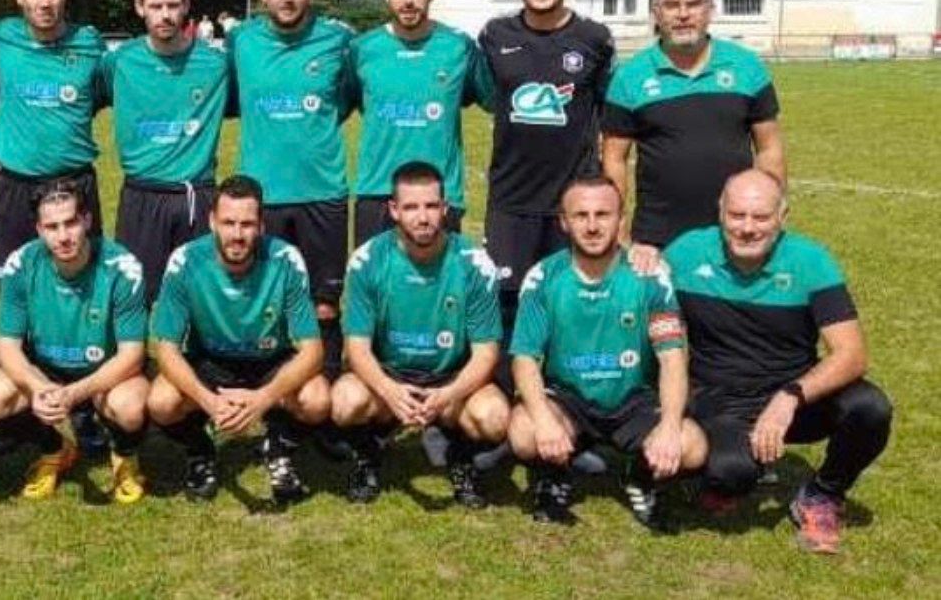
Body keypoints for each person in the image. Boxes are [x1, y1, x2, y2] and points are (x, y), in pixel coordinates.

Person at [665, 170, 890, 554]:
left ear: (782, 217)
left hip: (793, 401)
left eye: (761, 217)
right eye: (737, 215)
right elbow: (636, 303)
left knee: (870, 408)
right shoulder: (685, 253)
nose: (748, 228)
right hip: (719, 399)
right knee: (731, 473)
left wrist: (790, 396)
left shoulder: (810, 260)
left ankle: (821, 495)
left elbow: (853, 354)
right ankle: (724, 469)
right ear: (719, 212)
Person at [507, 177, 707, 530]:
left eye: (603, 214)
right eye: (581, 215)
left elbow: (673, 358)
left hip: (633, 400)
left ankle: (640, 476)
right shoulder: (543, 277)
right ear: (564, 222)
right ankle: (554, 476)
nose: (593, 225)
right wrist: (543, 419)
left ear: (621, 220)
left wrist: (671, 426)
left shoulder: (649, 276)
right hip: (569, 399)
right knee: (524, 431)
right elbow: (524, 358)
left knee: (692, 445)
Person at [229, 0, 356, 468]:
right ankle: (278, 417)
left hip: (323, 193)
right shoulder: (241, 42)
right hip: (262, 198)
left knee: (324, 306)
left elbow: (346, 98)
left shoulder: (338, 42)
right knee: (268, 308)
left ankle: (319, 416)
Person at [331, 162, 508, 506]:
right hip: (391, 374)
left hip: (450, 377)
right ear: (394, 210)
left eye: (430, 206)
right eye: (411, 207)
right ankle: (369, 454)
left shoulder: (474, 262)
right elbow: (357, 347)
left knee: (495, 417)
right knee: (344, 402)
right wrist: (389, 390)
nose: (422, 217)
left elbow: (487, 352)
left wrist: (447, 395)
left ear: (445, 209)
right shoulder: (368, 260)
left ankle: (461, 457)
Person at [146, 176, 330, 504]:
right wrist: (209, 402)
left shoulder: (286, 259)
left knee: (317, 399)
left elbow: (313, 351)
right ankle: (200, 452)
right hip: (211, 363)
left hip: (269, 360)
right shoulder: (185, 260)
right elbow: (166, 349)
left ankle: (278, 446)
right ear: (212, 221)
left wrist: (264, 398)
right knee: (161, 402)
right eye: (228, 223)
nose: (237, 234)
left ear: (261, 225)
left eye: (247, 224)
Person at [0, 181, 150, 503]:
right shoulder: (21, 264)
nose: (63, 236)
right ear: (39, 229)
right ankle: (55, 449)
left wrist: (75, 393)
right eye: (52, 227)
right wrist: (38, 387)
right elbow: (7, 346)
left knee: (130, 407)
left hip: (106, 373)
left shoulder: (122, 267)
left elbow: (132, 355)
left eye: (70, 222)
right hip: (47, 371)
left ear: (86, 220)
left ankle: (125, 456)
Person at [604, 0, 786, 269]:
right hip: (657, 238)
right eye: (671, 5)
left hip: (737, 230)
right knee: (662, 316)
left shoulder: (747, 66)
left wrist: (774, 209)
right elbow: (614, 159)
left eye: (694, 4)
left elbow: (769, 148)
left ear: (710, 10)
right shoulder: (630, 77)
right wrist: (618, 228)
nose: (683, 14)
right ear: (656, 13)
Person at [478, 0, 616, 334]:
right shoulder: (494, 36)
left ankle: (565, 390)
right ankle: (507, 392)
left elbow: (614, 126)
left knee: (573, 304)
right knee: (506, 306)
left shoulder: (595, 40)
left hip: (573, 202)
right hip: (510, 199)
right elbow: (487, 97)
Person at [98, 0, 231, 305]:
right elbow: (84, 104)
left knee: (203, 298)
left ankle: (201, 361)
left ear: (186, 5)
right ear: (140, 7)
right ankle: (136, 360)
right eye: (156, 7)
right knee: (133, 298)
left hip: (196, 195)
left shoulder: (216, 64)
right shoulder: (120, 61)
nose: (165, 15)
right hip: (142, 194)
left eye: (172, 5)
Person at [351, 0, 493, 242]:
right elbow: (351, 101)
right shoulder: (362, 49)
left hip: (439, 195)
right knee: (376, 286)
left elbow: (492, 99)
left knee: (439, 287)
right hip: (378, 192)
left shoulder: (458, 47)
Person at [0, 0, 106, 282]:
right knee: (10, 282)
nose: (44, 2)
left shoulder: (90, 43)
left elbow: (101, 95)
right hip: (15, 183)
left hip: (75, 181)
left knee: (84, 280)